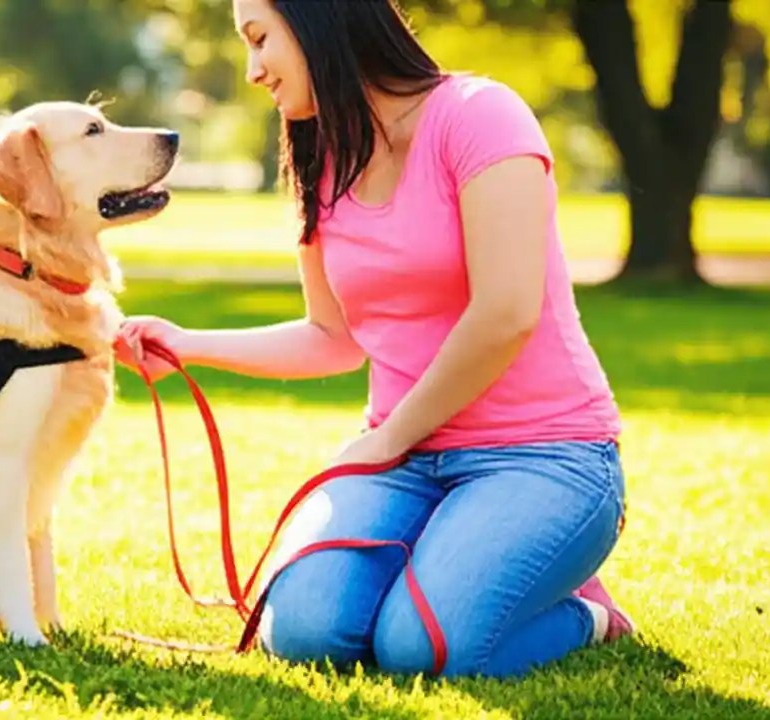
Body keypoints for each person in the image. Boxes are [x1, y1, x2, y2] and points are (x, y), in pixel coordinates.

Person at [114, 0, 635, 679]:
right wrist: (189, 344)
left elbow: (506, 312)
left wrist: (390, 438)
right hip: (409, 463)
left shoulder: (481, 116)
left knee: (421, 648)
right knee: (303, 629)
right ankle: (455, 560)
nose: (252, 70)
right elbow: (331, 336)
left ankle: (588, 613)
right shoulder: (317, 160)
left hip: (545, 455)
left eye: (260, 39)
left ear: (317, 18)